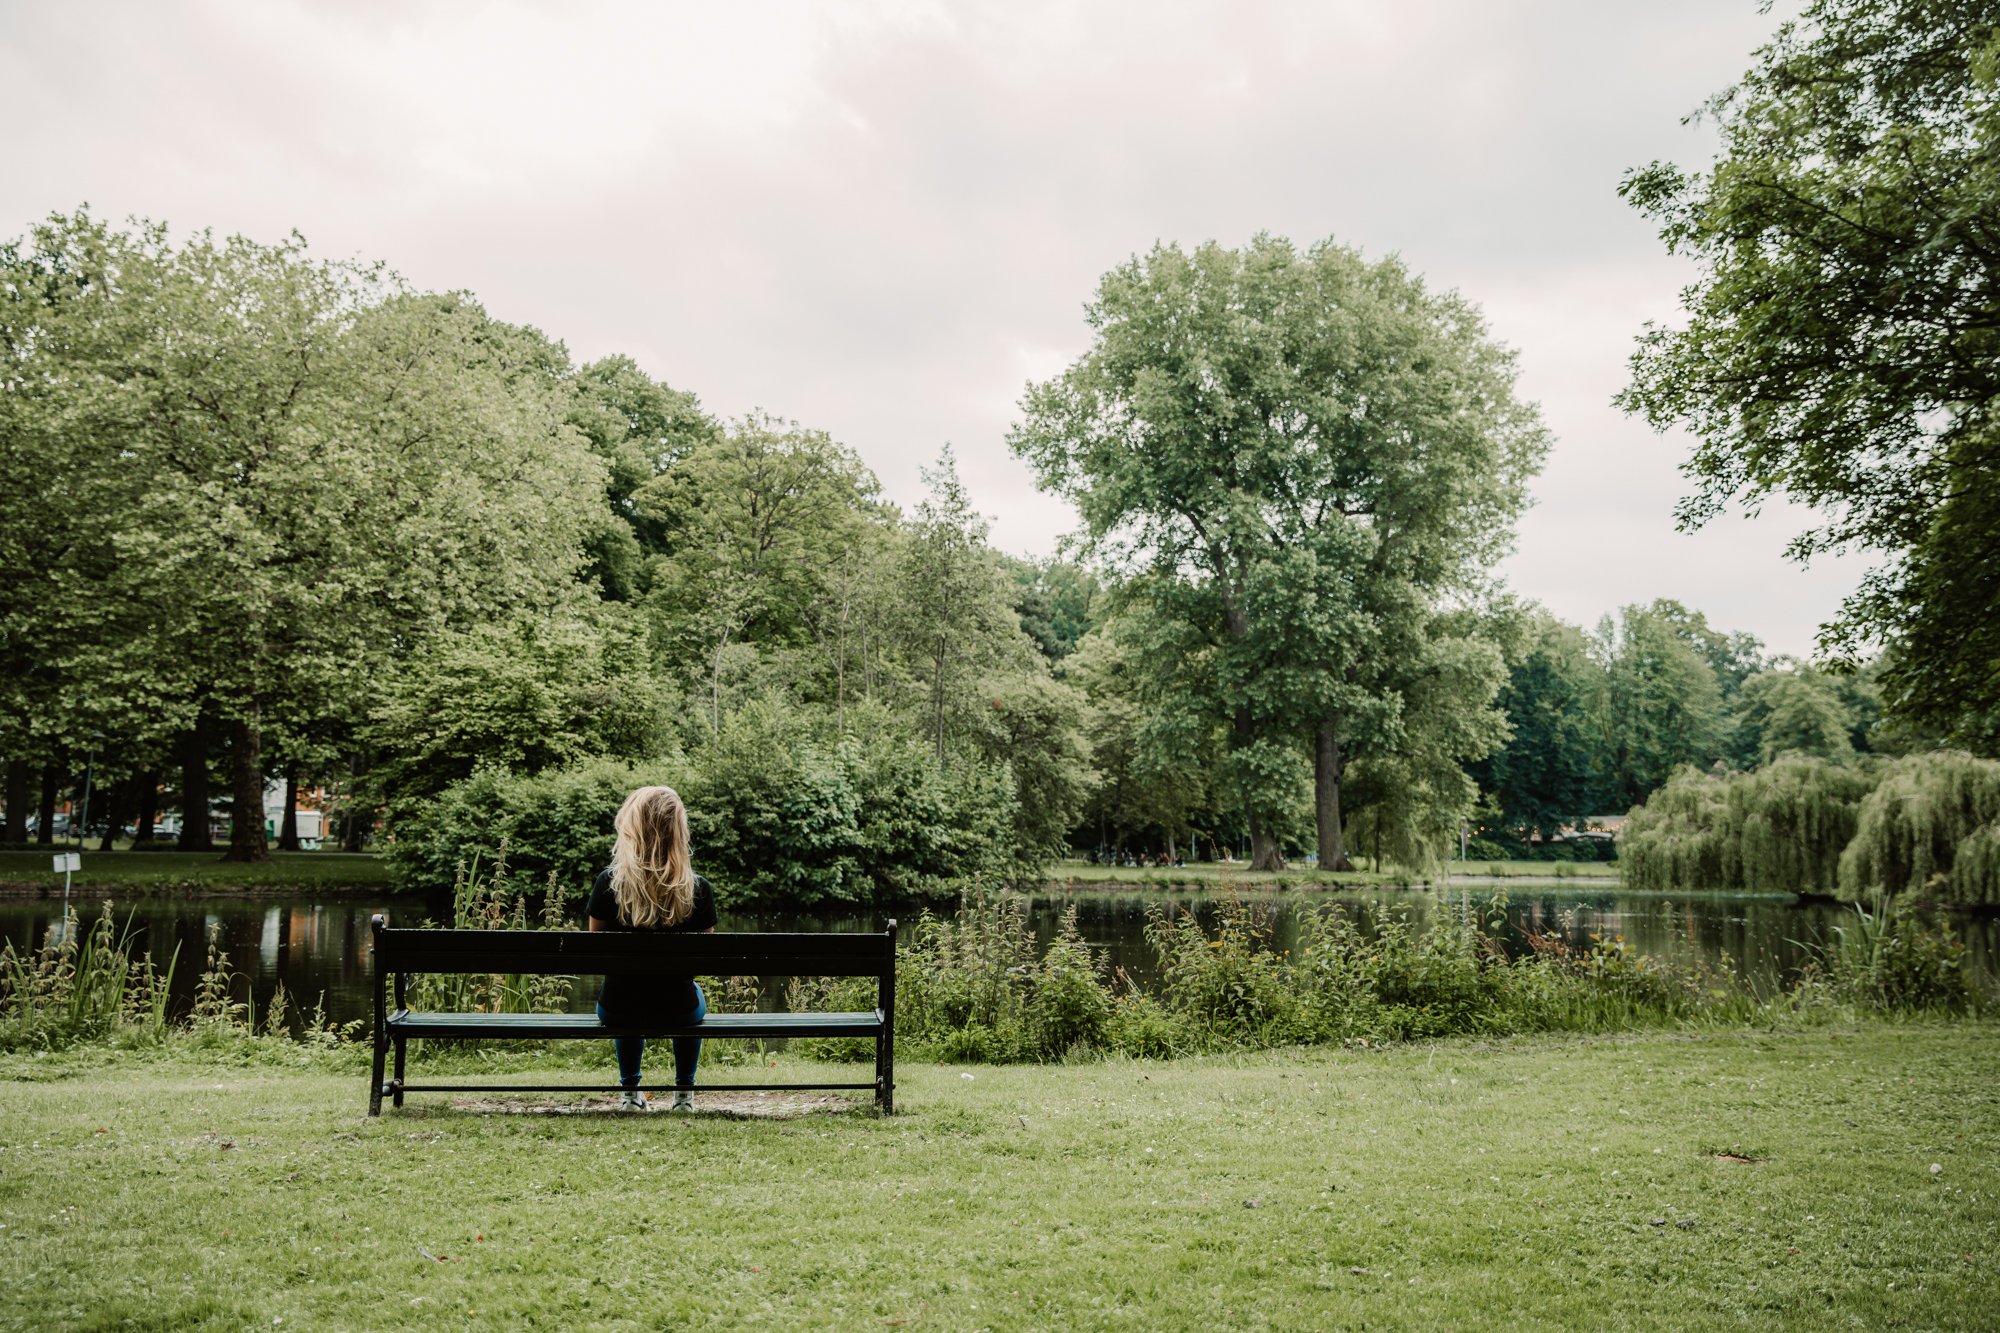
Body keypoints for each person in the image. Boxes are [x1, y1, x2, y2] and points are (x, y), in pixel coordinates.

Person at [586, 785, 718, 1111]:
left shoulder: (608, 884)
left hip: (618, 1007)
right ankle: (684, 1096)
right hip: (679, 1008)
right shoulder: (698, 890)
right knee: (692, 996)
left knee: (625, 993)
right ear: (679, 832)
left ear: (631, 828)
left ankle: (630, 1094)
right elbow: (703, 956)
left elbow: (596, 948)